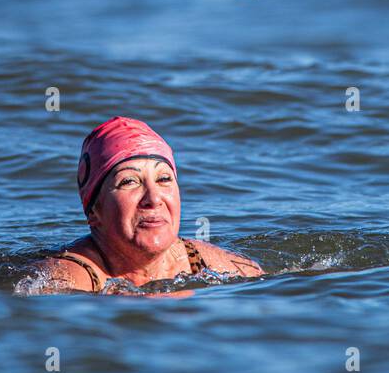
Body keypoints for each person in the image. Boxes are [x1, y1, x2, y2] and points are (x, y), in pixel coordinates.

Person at [31, 116, 262, 293]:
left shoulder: (221, 267)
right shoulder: (68, 280)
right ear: (94, 211)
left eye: (163, 179)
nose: (153, 199)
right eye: (130, 181)